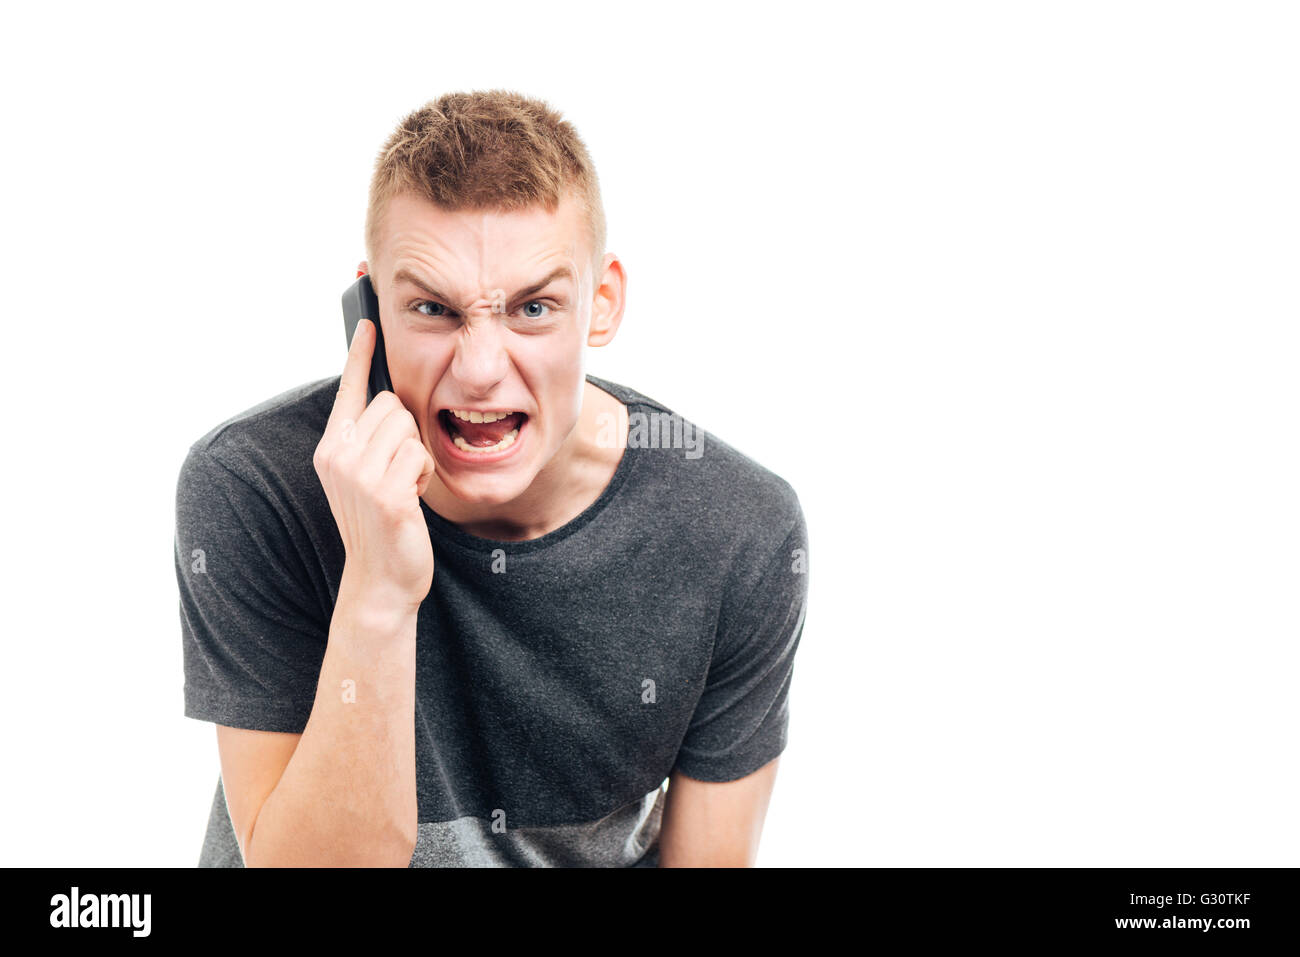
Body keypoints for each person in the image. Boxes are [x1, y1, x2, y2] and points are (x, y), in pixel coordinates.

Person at [174, 89, 809, 867]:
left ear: (601, 304)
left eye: (533, 308)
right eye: (433, 308)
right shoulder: (253, 488)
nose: (478, 372)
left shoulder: (739, 529)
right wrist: (376, 586)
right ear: (370, 308)